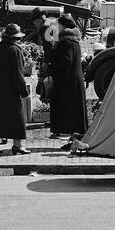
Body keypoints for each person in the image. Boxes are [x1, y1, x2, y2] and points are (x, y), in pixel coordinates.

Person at [0, 23, 30, 155]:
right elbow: (18, 74)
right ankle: (17, 145)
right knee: (16, 118)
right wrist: (24, 92)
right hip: (11, 90)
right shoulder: (15, 50)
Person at [45, 15, 89, 145]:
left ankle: (74, 138)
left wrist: (51, 66)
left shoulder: (65, 42)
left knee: (69, 110)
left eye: (58, 25)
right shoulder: (74, 41)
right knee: (75, 110)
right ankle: (75, 137)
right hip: (74, 80)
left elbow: (66, 61)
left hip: (68, 81)